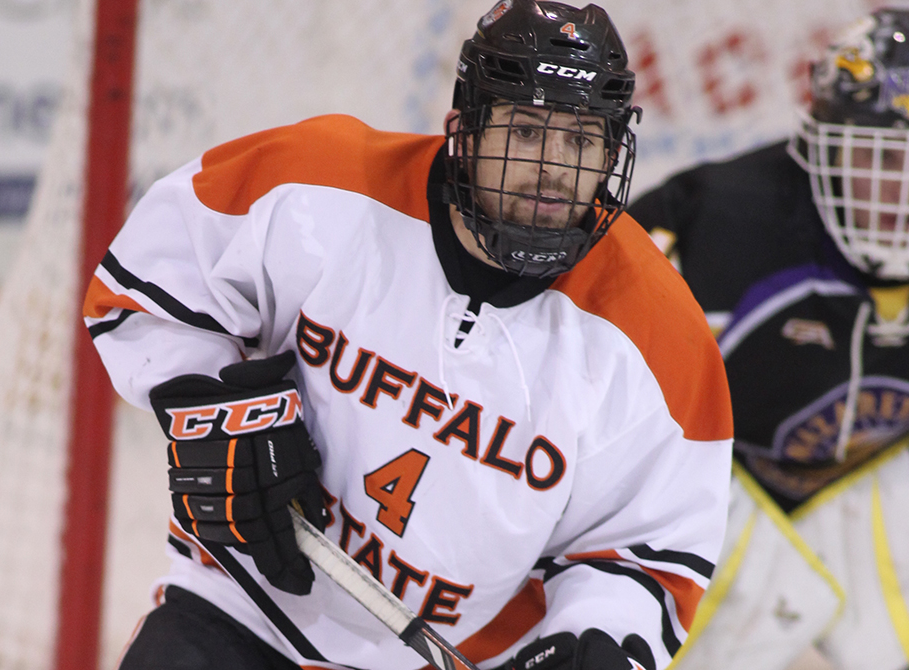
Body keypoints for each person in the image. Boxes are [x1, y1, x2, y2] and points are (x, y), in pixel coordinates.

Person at [84, 2, 733, 669]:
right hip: (239, 611)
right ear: (470, 125)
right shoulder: (322, 186)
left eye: (581, 141)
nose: (552, 170)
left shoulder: (658, 339)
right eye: (527, 130)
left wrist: (598, 638)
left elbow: (648, 550)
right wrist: (211, 406)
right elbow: (145, 285)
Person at [628, 8, 909, 670]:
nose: (905, 194)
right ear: (828, 147)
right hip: (717, 482)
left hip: (866, 483)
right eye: (885, 161)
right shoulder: (715, 225)